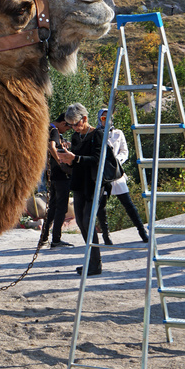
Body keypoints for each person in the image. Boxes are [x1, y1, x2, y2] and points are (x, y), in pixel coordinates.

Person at [57, 103, 104, 275]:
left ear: (84, 119)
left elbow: (97, 160)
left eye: (76, 124)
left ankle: (95, 264)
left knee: (87, 222)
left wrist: (75, 158)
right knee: (82, 224)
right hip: (78, 183)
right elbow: (76, 161)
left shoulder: (97, 134)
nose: (74, 128)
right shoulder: (77, 137)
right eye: (71, 125)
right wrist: (66, 158)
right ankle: (92, 262)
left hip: (93, 184)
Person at [95, 107, 148, 243]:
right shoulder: (95, 134)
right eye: (103, 118)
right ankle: (106, 235)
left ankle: (142, 231)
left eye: (109, 118)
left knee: (128, 203)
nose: (106, 120)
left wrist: (116, 160)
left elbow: (125, 151)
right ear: (99, 119)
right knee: (101, 206)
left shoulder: (118, 133)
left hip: (116, 172)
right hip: (102, 173)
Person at [40, 113, 73, 248]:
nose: (66, 131)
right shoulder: (54, 130)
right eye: (67, 128)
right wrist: (61, 163)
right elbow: (51, 147)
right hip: (60, 175)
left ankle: (44, 237)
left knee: (52, 207)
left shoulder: (47, 128)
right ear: (64, 123)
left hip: (51, 174)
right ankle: (56, 239)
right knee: (61, 207)